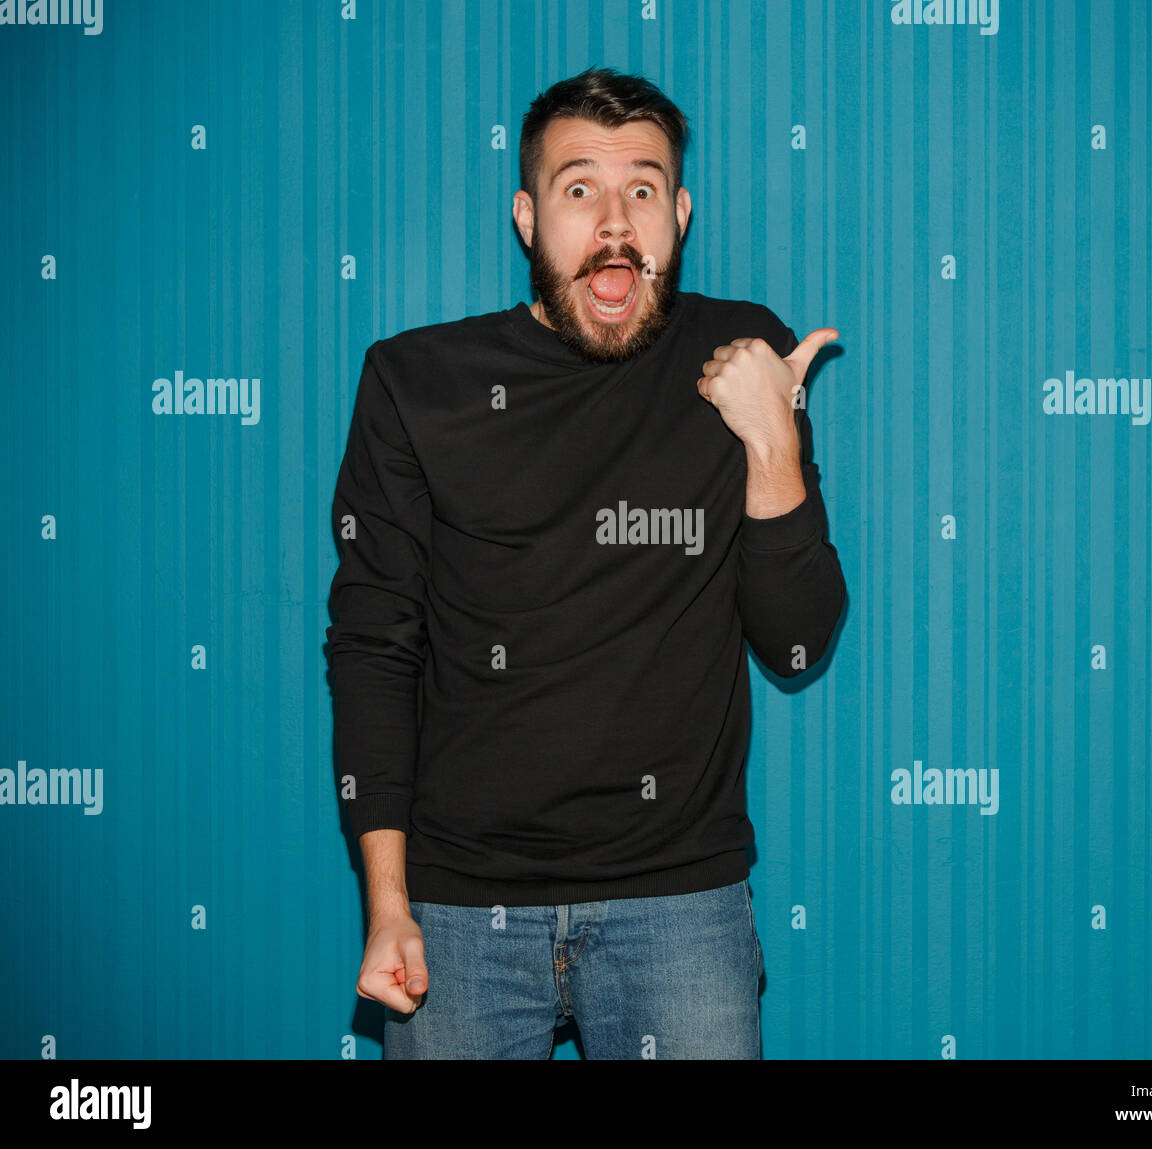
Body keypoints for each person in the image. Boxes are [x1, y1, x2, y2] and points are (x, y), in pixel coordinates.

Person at [325, 66, 847, 1060]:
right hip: (459, 915)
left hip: (680, 906)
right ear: (528, 218)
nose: (615, 223)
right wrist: (387, 907)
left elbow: (794, 641)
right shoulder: (416, 383)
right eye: (579, 189)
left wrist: (771, 442)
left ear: (679, 213)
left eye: (642, 189)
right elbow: (371, 646)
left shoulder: (743, 357)